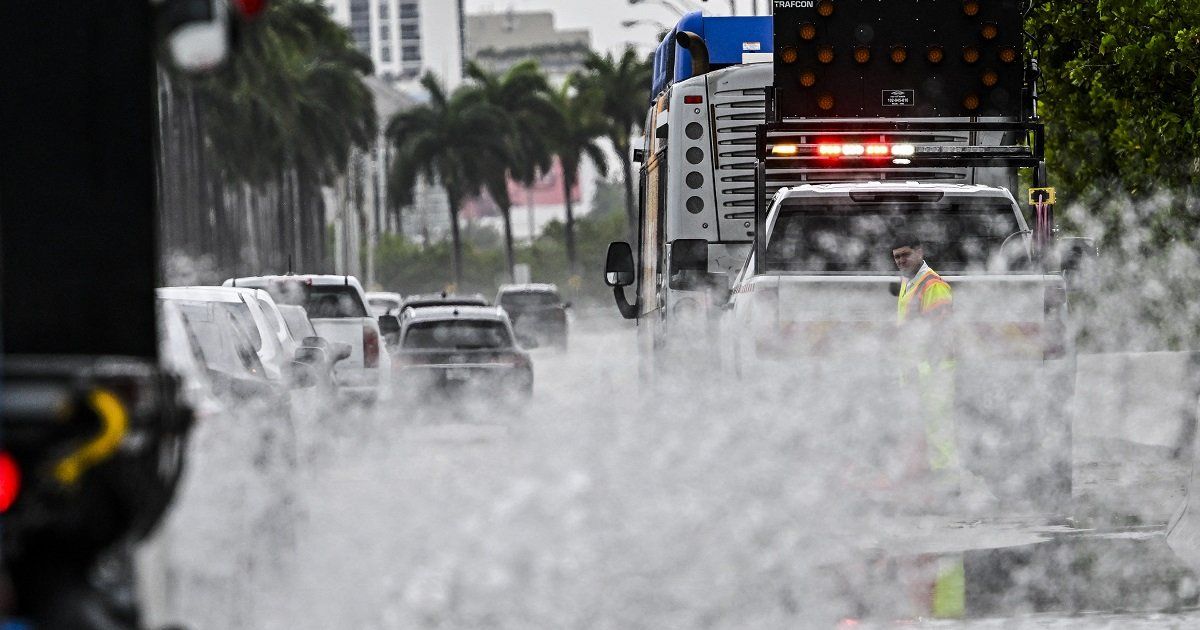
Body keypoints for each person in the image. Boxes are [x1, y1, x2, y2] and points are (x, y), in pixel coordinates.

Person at [891, 233, 958, 477]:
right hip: (919, 370)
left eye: (906, 254)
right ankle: (930, 478)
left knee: (938, 429)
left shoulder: (932, 284)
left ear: (920, 252)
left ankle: (947, 480)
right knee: (924, 429)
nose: (901, 260)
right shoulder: (909, 282)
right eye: (897, 257)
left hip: (933, 370)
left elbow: (940, 332)